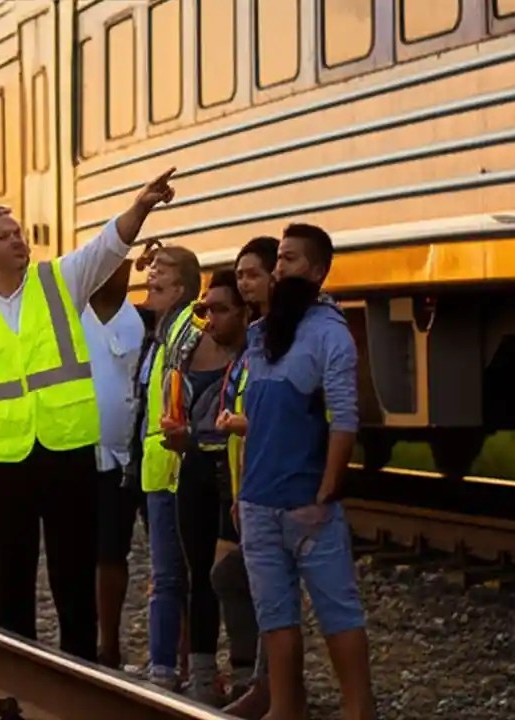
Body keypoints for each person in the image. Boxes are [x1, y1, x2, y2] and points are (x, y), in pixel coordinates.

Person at [0, 169, 177, 661]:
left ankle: (79, 667)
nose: (18, 242)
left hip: (66, 447)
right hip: (5, 454)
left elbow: (107, 247)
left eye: (19, 233)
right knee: (6, 574)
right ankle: (14, 669)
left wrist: (141, 206)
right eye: (5, 237)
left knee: (73, 570)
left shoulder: (59, 280)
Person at [226, 223, 375, 720]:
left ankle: (359, 709)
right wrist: (243, 488)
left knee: (338, 611)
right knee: (276, 616)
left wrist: (326, 491)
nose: (278, 268)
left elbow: (344, 419)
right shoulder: (262, 334)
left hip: (306, 504)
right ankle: (285, 711)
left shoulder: (330, 335)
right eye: (279, 259)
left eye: (288, 259)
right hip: (260, 501)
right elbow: (263, 419)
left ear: (314, 270)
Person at [159, 269, 248, 706]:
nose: (211, 318)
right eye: (206, 309)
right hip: (192, 468)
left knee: (229, 576)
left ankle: (247, 674)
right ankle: (202, 677)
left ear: (245, 311)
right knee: (198, 576)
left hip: (233, 472)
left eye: (222, 309)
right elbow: (169, 397)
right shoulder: (188, 346)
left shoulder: (255, 353)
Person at [126, 244, 201, 689]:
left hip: (173, 467)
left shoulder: (187, 327)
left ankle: (167, 669)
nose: (151, 280)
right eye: (150, 274)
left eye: (162, 276)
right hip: (156, 468)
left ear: (184, 287)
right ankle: (171, 664)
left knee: (171, 574)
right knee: (168, 573)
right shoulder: (160, 331)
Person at [214, 236, 280, 719]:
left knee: (266, 588)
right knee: (239, 578)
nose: (244, 282)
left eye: (251, 274)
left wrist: (243, 425)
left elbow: (287, 415)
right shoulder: (256, 340)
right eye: (239, 274)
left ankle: (267, 686)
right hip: (251, 484)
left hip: (277, 482)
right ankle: (259, 681)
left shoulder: (284, 338)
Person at [85, 259, 147, 669]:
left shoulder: (144, 322)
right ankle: (80, 640)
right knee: (77, 553)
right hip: (77, 453)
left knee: (113, 552)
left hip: (129, 457)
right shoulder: (71, 317)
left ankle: (109, 644)